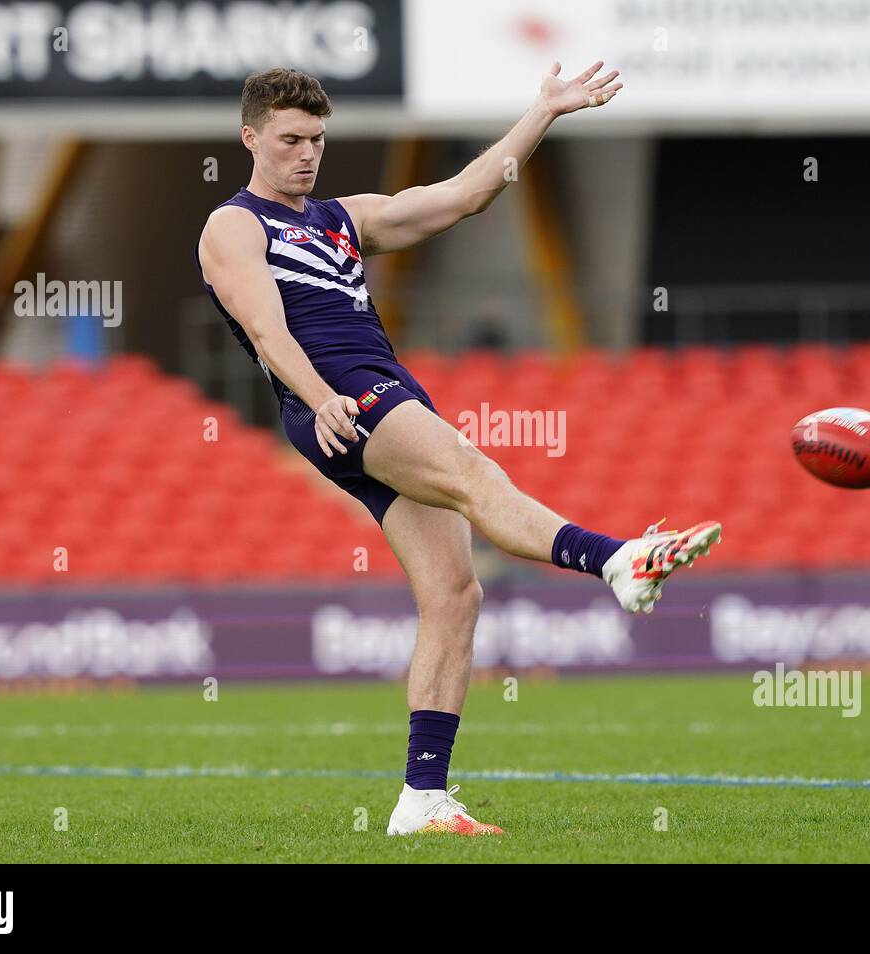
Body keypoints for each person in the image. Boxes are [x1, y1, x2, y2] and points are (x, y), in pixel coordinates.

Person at [196, 63, 721, 836]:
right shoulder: (234, 224)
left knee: (453, 593)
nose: (306, 153)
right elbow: (268, 329)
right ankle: (618, 560)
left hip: (372, 392)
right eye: (290, 140)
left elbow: (467, 193)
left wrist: (542, 111)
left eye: (316, 139)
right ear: (251, 139)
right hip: (343, 398)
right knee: (478, 475)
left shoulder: (342, 217)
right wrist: (320, 397)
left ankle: (422, 800)